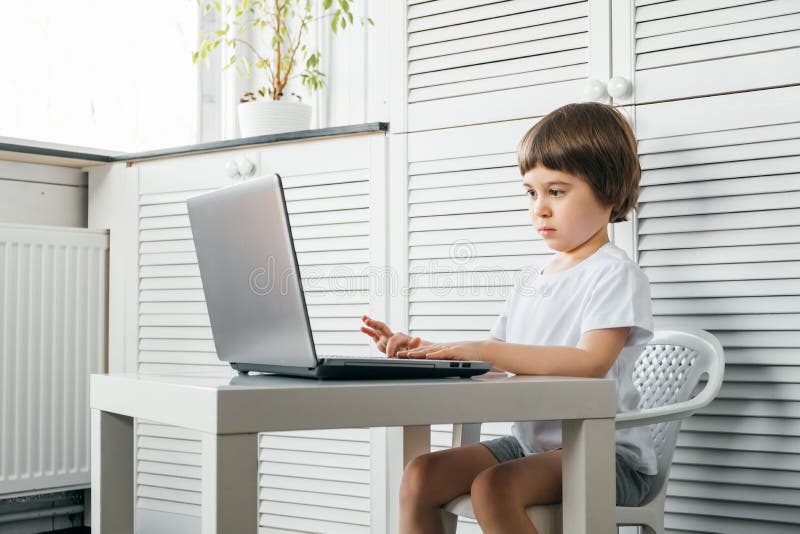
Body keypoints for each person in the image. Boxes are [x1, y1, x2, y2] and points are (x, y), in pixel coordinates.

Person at [360, 101, 657, 534]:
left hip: (604, 454)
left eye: (556, 191)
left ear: (608, 190)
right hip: (531, 447)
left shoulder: (615, 273)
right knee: (421, 476)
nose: (540, 207)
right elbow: (496, 359)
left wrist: (484, 349)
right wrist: (427, 351)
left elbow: (590, 362)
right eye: (531, 193)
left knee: (495, 488)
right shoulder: (531, 277)